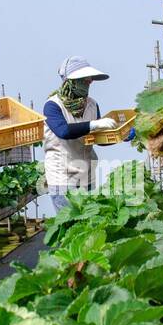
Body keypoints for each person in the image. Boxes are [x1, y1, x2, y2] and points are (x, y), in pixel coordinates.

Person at [41, 56, 132, 213]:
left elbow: (97, 139)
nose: (89, 81)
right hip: (62, 176)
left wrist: (121, 135)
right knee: (70, 226)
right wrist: (94, 124)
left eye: (89, 78)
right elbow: (63, 131)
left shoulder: (91, 105)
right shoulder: (52, 106)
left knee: (88, 223)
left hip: (86, 174)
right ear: (70, 81)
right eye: (84, 78)